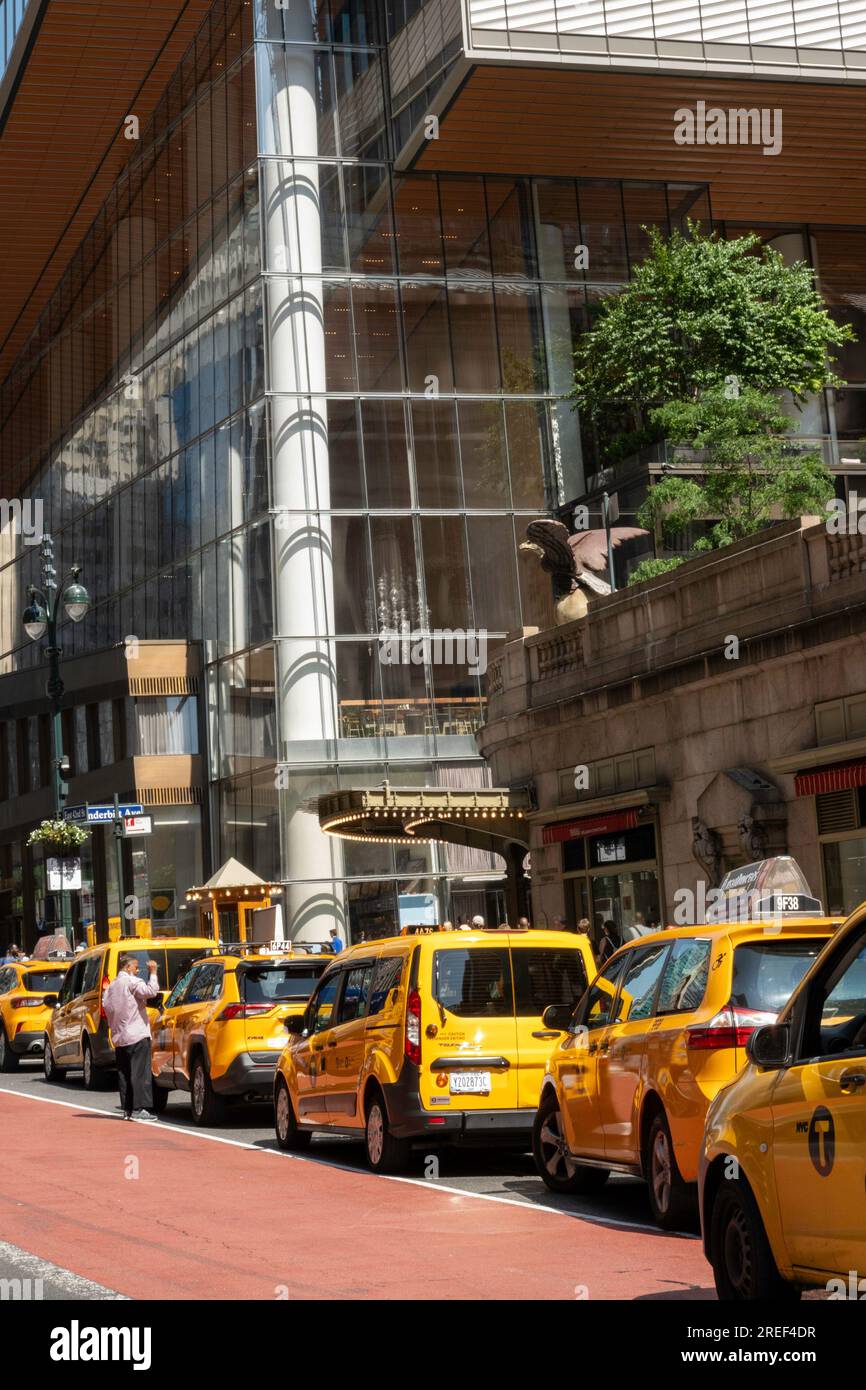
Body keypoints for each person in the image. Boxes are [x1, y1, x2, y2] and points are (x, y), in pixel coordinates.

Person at [102, 954, 160, 1121]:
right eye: (135, 967)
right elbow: (151, 991)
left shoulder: (112, 986)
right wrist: (153, 972)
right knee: (139, 1072)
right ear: (127, 968)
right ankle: (139, 1109)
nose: (137, 970)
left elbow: (106, 1006)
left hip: (120, 1036)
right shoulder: (132, 981)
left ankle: (127, 1109)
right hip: (136, 1033)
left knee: (124, 1073)